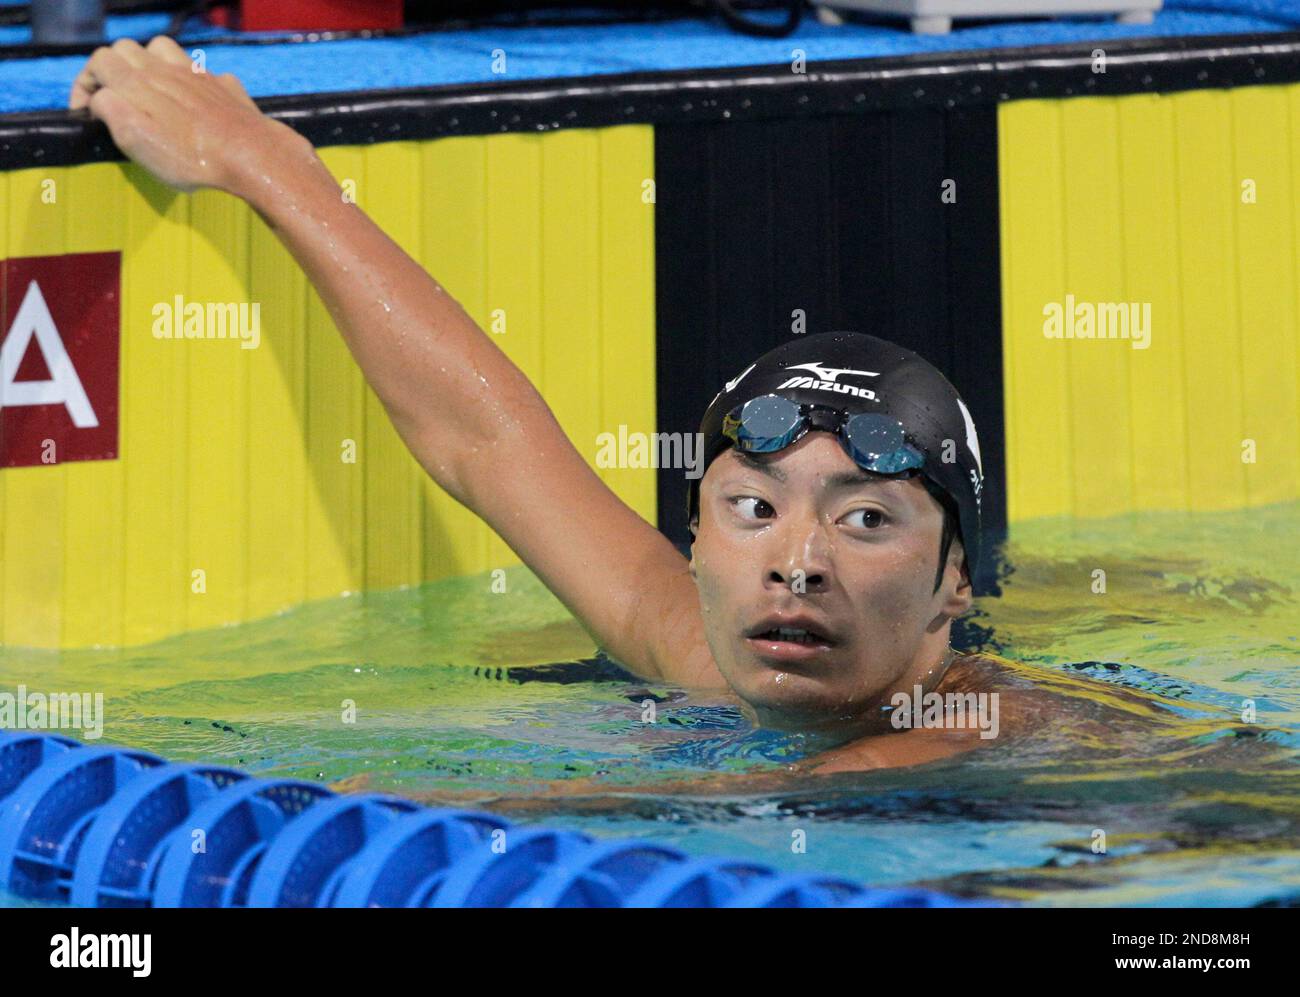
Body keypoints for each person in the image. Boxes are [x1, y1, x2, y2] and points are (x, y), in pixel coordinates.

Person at [69, 35, 1023, 774]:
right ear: (694, 542)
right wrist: (257, 161)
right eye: (754, 508)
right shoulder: (707, 648)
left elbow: (734, 804)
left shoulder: (983, 727)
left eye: (864, 517)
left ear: (955, 581)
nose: (796, 565)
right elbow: (484, 435)